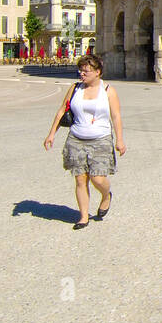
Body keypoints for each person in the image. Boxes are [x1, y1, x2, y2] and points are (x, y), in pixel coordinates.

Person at [44, 54, 127, 229]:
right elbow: (62, 111)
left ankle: (106, 196)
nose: (82, 74)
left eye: (86, 71)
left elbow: (116, 116)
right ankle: (83, 216)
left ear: (98, 72)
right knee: (80, 179)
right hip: (76, 138)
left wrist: (120, 140)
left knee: (97, 178)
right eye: (80, 70)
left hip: (100, 139)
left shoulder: (108, 91)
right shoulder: (75, 88)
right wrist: (51, 134)